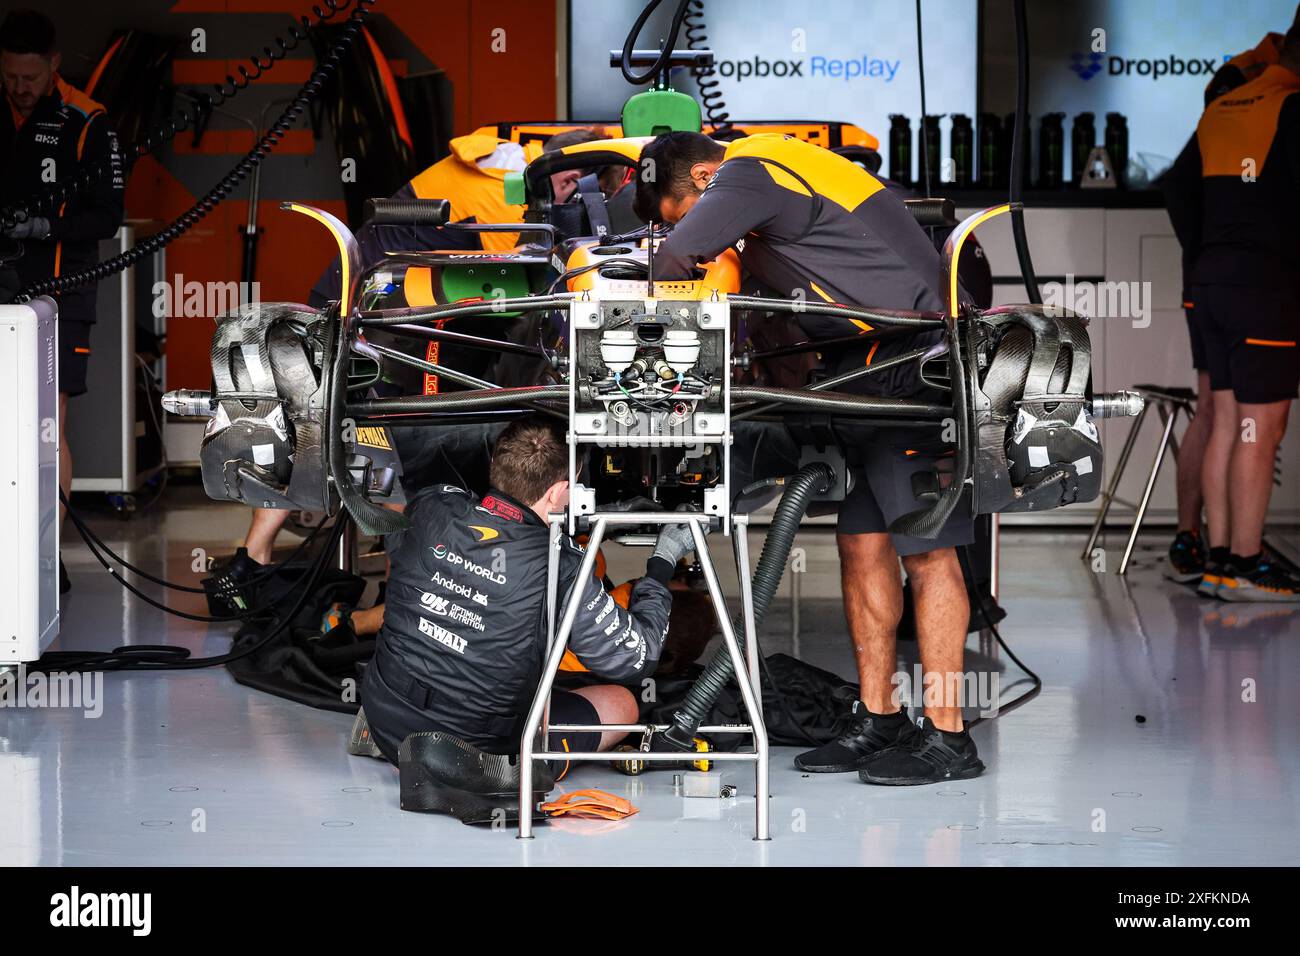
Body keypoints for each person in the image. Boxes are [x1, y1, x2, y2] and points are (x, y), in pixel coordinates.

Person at [637, 130, 985, 785]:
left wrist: (664, 355)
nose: (698, 227)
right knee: (861, 543)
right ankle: (881, 718)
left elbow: (678, 259)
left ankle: (948, 735)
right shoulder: (773, 184)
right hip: (863, 368)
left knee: (929, 550)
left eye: (684, 209)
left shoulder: (750, 171)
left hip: (918, 362)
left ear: (707, 179)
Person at [220, 128, 618, 619]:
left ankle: (260, 563)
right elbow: (531, 289)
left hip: (397, 294)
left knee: (324, 413)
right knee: (382, 434)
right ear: (572, 178)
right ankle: (393, 597)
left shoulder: (521, 168)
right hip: (385, 300)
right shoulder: (512, 200)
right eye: (604, 189)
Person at [360, 416, 692, 764]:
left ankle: (390, 737)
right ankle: (499, 758)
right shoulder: (561, 567)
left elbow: (397, 523)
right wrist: (663, 559)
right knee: (621, 704)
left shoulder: (433, 505)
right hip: (474, 750)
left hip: (384, 713)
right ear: (558, 492)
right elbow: (636, 657)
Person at [1164, 17, 1300, 602]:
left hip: (1211, 284)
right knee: (1260, 426)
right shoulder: (1291, 108)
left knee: (1224, 417)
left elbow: (1177, 188)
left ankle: (1220, 558)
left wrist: (1205, 256)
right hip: (1265, 287)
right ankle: (1245, 562)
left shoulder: (1224, 106)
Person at [0, 9, 124, 593]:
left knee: (47, 422)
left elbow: (109, 214)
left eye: (30, 77)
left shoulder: (87, 119)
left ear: (53, 65)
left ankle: (46, 557)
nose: (20, 89)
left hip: (60, 289)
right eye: (10, 77)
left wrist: (44, 226)